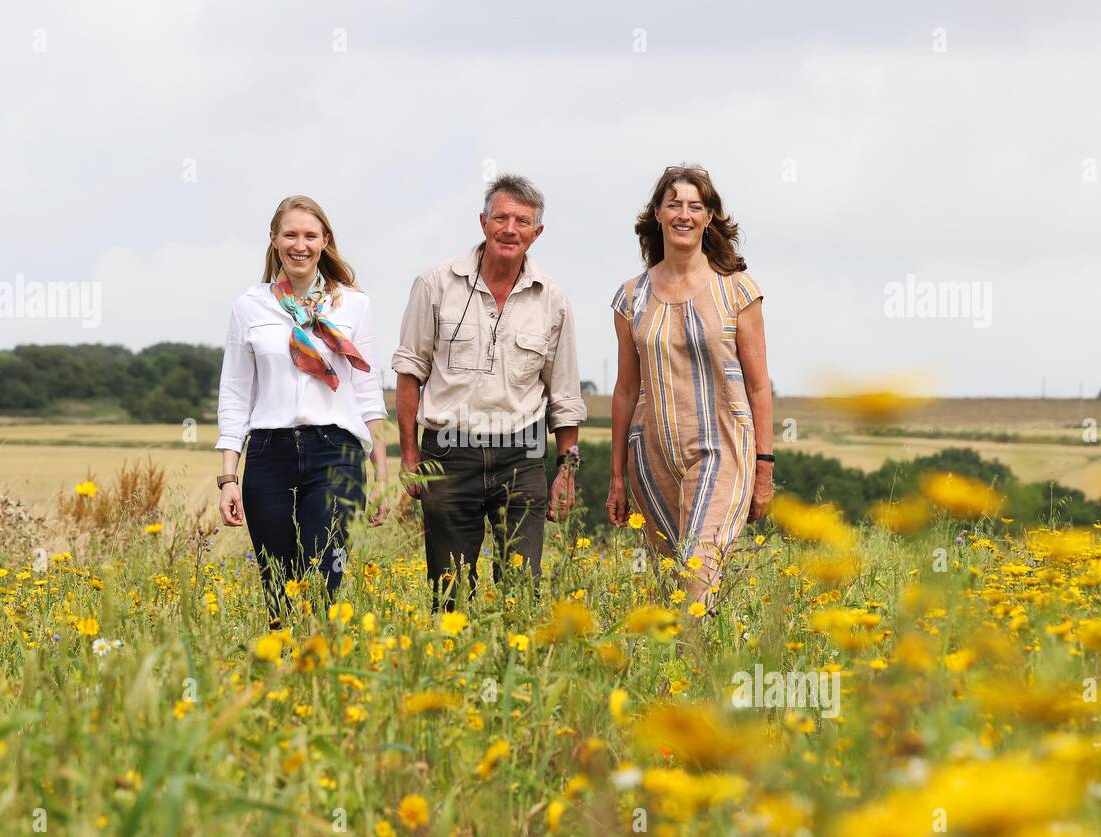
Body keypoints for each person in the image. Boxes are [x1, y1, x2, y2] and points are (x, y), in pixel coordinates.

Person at [392, 174, 586, 608]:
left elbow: (565, 394)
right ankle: (454, 671)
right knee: (450, 591)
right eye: (501, 217)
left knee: (521, 587)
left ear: (537, 233)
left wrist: (566, 473)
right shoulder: (435, 284)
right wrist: (409, 455)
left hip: (522, 454)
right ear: (483, 222)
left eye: (522, 221)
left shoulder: (552, 299)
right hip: (447, 453)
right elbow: (409, 373)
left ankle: (514, 670)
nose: (510, 229)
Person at [607, 165, 775, 615]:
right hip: (653, 455)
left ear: (709, 218)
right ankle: (690, 675)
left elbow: (759, 386)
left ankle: (692, 677)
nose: (684, 214)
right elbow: (624, 391)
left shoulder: (737, 291)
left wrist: (764, 468)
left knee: (698, 571)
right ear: (658, 215)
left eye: (695, 206)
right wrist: (617, 477)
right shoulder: (630, 298)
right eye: (674, 204)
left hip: (723, 448)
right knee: (676, 584)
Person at [216, 195, 388, 629]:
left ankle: (318, 677)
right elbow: (236, 393)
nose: (300, 244)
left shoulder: (353, 305)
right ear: (274, 240)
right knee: (277, 586)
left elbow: (368, 392)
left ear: (325, 241)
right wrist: (227, 478)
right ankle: (280, 681)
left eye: (310, 235)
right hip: (268, 453)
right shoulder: (249, 306)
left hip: (336, 450)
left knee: (323, 577)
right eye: (290, 234)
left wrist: (383, 476)